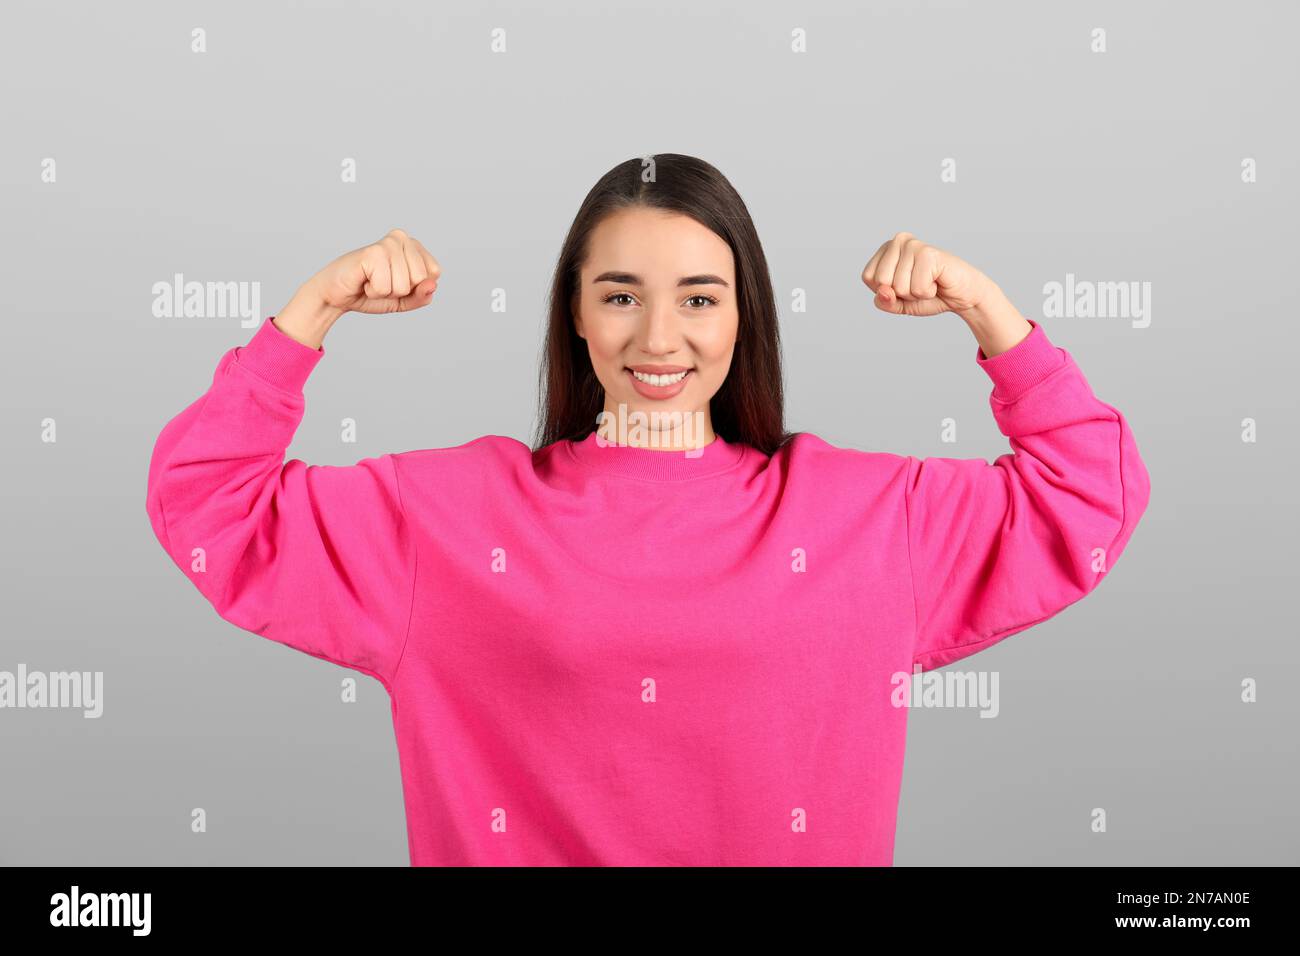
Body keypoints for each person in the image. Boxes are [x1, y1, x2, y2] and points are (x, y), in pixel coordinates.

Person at [145, 153, 1151, 866]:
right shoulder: (450, 519)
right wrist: (312, 310)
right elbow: (207, 501)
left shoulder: (858, 514)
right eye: (620, 295)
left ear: (742, 313)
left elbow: (1091, 493)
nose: (659, 334)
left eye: (700, 297)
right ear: (574, 314)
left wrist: (989, 310)